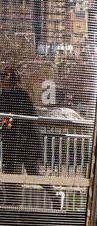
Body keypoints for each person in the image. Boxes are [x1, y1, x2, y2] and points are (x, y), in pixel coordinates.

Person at [0, 68, 64, 210]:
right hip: (13, 140)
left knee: (33, 170)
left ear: (13, 79)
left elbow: (17, 117)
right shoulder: (4, 95)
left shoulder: (20, 94)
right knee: (11, 170)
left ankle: (55, 195)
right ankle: (12, 203)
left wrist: (7, 123)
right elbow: (6, 118)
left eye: (4, 75)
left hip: (27, 140)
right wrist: (5, 125)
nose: (1, 78)